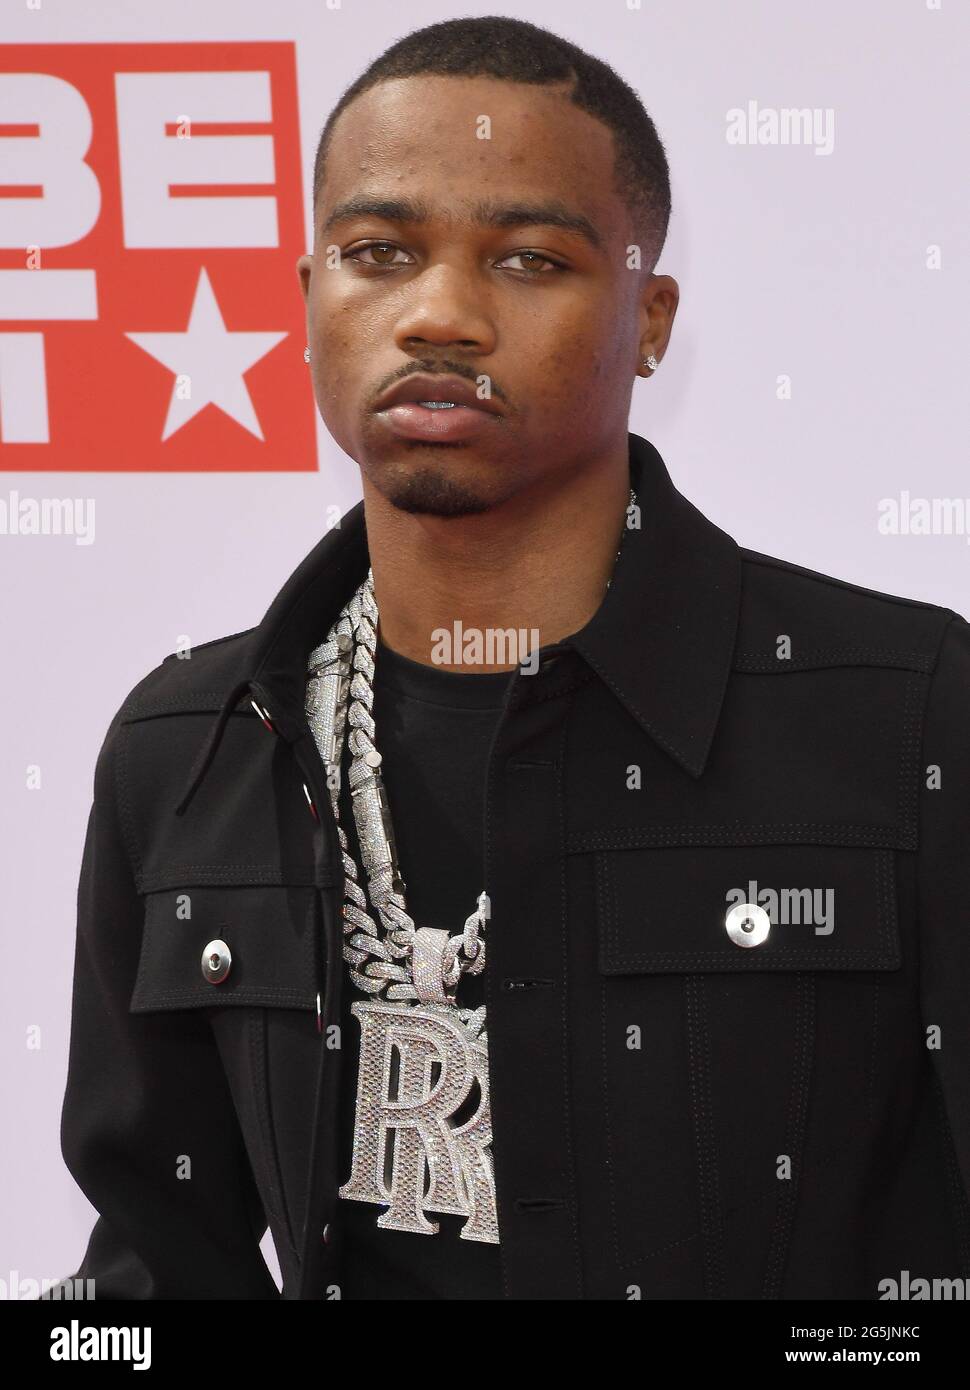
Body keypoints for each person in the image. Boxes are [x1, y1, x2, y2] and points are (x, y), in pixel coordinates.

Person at [55, 16, 970, 1300]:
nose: (439, 314)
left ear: (649, 322)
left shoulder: (909, 714)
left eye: (529, 258)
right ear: (309, 303)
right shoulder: (190, 743)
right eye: (378, 253)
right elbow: (154, 1263)